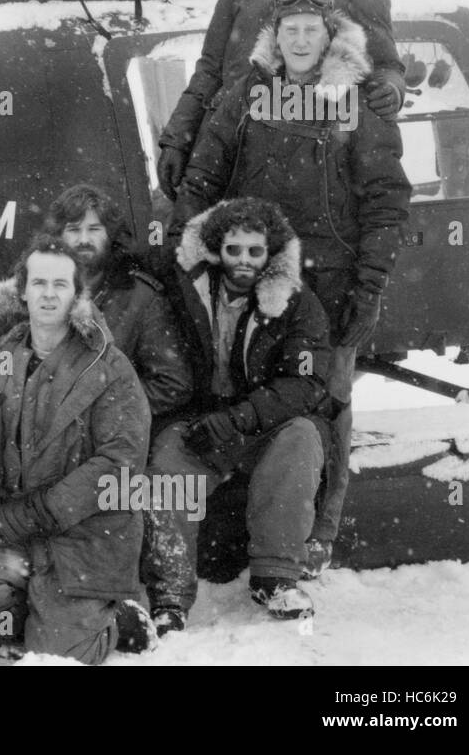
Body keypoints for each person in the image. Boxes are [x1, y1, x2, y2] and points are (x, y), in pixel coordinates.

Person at [171, 0, 410, 576]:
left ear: (330, 34)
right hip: (249, 272)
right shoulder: (247, 91)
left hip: (327, 278)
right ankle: (239, 528)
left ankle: (315, 537)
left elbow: (385, 198)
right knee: (240, 387)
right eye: (290, 30)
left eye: (312, 29)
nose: (301, 39)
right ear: (274, 37)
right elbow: (205, 171)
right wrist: (183, 244)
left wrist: (370, 283)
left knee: (328, 402)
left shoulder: (356, 99)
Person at [0, 236, 153, 663]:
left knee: (57, 657)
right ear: (22, 291)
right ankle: (31, 614)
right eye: (39, 283)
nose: (49, 294)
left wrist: (36, 513)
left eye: (60, 284)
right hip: (13, 528)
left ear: (76, 295)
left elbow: (119, 463)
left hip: (84, 533)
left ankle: (115, 619)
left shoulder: (107, 367)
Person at [145, 199, 331, 634]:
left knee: (302, 438)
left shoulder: (296, 302)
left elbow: (304, 382)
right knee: (167, 469)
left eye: (254, 251)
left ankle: (275, 577)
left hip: (262, 423)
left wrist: (242, 418)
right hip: (198, 418)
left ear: (270, 253)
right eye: (233, 250)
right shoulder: (186, 286)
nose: (243, 261)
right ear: (215, 249)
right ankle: (170, 595)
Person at [156, 0, 405, 199]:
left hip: (319, 156)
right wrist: (178, 140)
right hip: (235, 145)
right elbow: (209, 70)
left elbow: (386, 65)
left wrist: (392, 88)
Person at [0, 184, 193, 432]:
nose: (84, 240)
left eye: (94, 229)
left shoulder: (140, 298)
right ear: (58, 236)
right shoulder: (27, 291)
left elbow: (172, 384)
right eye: (74, 230)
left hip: (106, 442)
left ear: (110, 235)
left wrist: (97, 411)